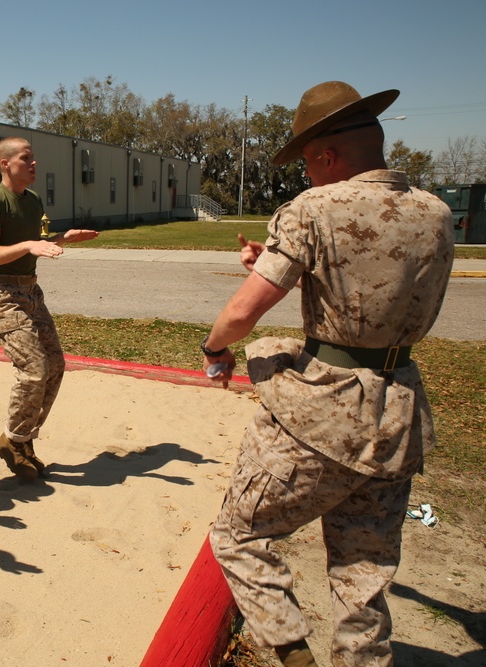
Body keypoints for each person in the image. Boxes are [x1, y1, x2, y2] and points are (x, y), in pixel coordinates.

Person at [202, 82, 454, 667]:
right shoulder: (437, 212)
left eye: (308, 166)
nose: (308, 178)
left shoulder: (314, 210)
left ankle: (293, 654)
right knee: (363, 570)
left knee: (237, 536)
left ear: (326, 157)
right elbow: (373, 287)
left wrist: (214, 348)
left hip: (326, 414)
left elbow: (242, 312)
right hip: (398, 413)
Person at [0, 137, 98, 480]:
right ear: (5, 164)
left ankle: (22, 438)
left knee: (55, 365)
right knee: (33, 369)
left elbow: (35, 246)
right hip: (3, 296)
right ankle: (12, 441)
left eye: (33, 158)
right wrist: (29, 243)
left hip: (31, 294)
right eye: (25, 158)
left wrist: (63, 238)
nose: (33, 164)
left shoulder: (32, 200)